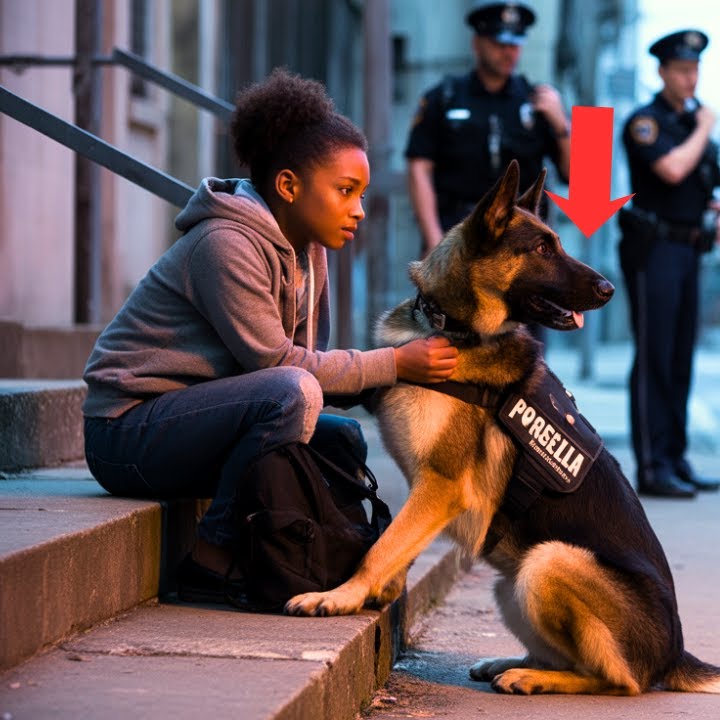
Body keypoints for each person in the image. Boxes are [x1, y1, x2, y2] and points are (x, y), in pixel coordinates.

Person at [81, 68, 459, 602]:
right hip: (126, 433)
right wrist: (395, 364)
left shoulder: (309, 250)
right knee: (293, 392)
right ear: (288, 185)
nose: (359, 209)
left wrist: (406, 383)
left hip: (199, 418)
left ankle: (332, 552)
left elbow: (308, 363)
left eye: (363, 193)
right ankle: (211, 561)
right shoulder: (226, 243)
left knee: (340, 437)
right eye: (346, 191)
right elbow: (278, 365)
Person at [618, 29, 720, 498]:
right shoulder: (645, 122)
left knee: (682, 356)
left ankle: (677, 457)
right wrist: (705, 127)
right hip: (654, 249)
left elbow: (707, 184)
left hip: (690, 248)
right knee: (655, 356)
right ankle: (652, 464)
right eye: (683, 70)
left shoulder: (692, 124)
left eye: (696, 70)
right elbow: (671, 170)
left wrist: (719, 215)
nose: (691, 79)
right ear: (663, 71)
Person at [404, 0, 570, 256]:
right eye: (500, 43)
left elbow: (579, 179)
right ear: (477, 44)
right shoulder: (444, 96)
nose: (509, 52)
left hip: (523, 242)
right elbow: (419, 168)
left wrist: (562, 124)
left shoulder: (539, 100)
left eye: (515, 44)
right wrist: (434, 239)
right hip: (458, 234)